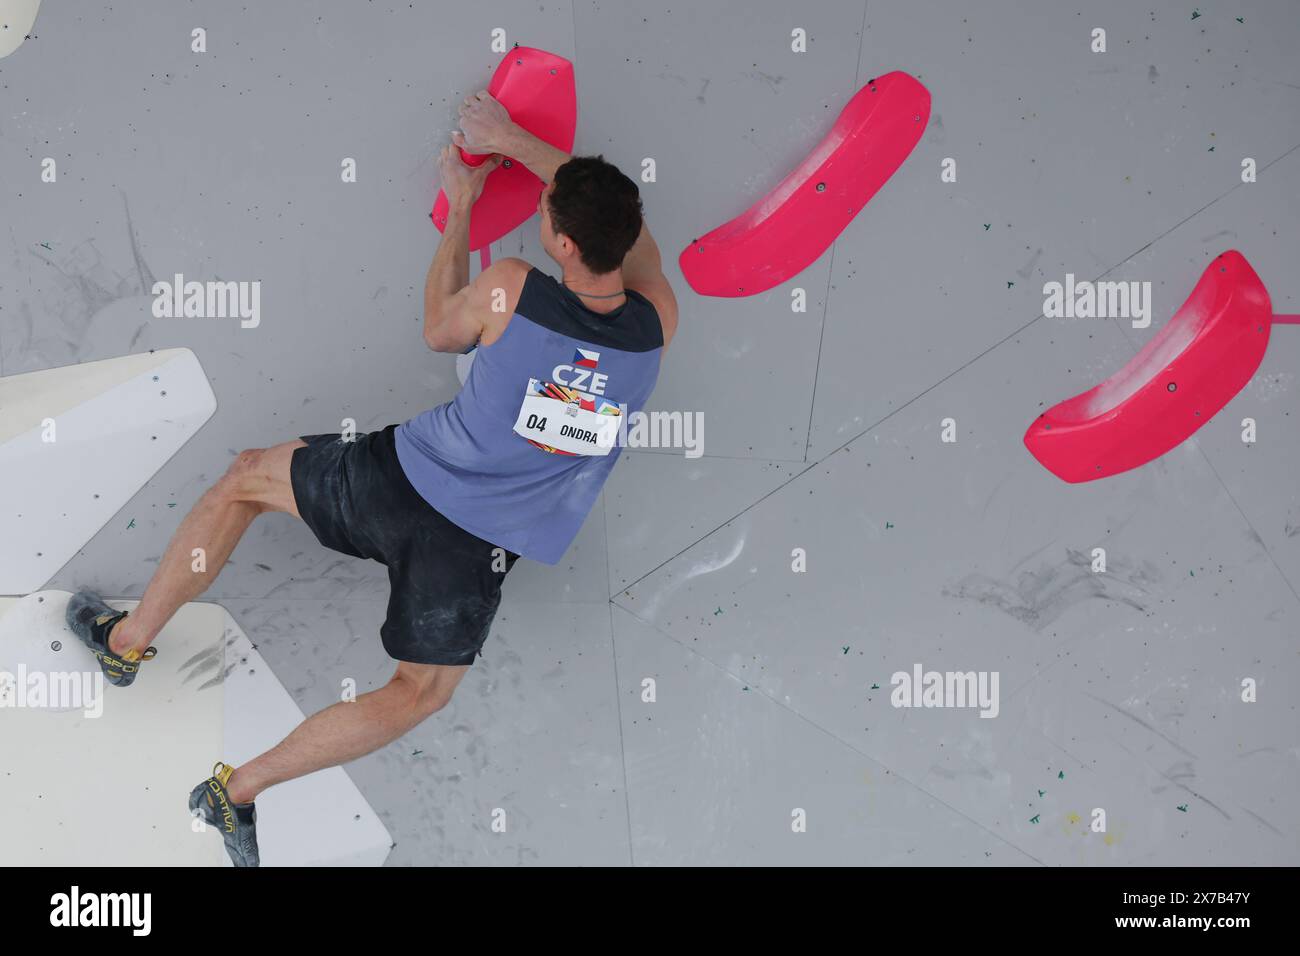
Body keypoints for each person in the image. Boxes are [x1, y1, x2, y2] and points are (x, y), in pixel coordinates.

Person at [65, 89, 679, 866]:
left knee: (244, 481)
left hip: (399, 481)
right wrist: (542, 162)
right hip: (476, 553)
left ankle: (126, 642)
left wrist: (467, 195)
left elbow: (436, 327)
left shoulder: (512, 288)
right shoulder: (656, 324)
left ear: (557, 240)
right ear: (621, 241)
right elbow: (634, 238)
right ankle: (236, 792)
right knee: (417, 694)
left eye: (551, 217)